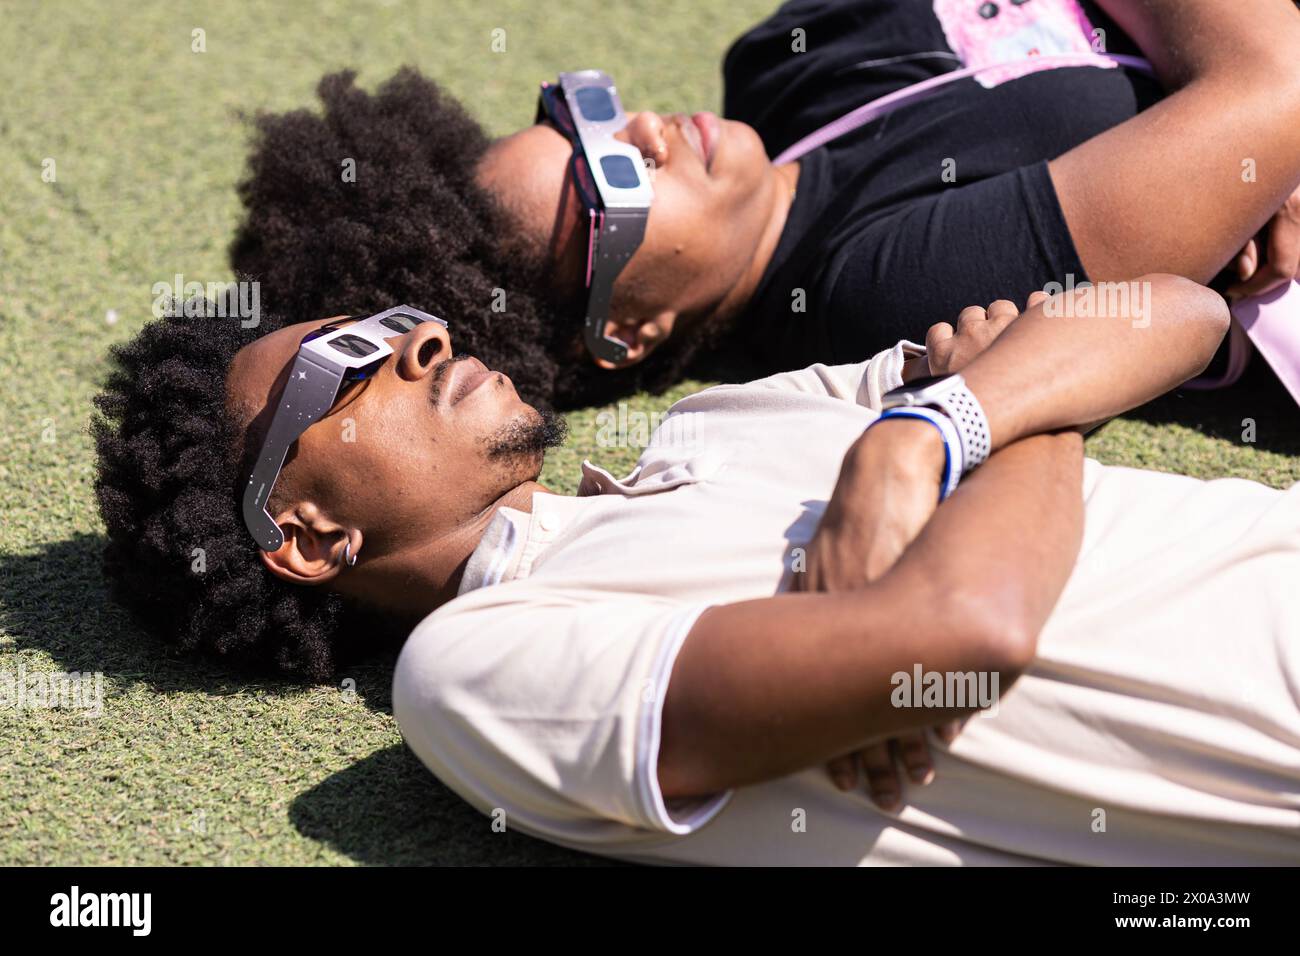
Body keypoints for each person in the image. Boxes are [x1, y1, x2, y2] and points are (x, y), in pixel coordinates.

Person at [93, 273, 1300, 864]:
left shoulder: (722, 420)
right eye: (345, 367)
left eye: (392, 317)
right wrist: (1009, 412)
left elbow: (1173, 313)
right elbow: (967, 637)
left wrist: (925, 436)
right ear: (306, 535)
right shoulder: (478, 670)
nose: (420, 338)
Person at [229, 0, 1300, 409]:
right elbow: (1276, 91)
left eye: (582, 114)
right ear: (625, 331)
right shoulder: (871, 295)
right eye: (610, 182)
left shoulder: (784, 61)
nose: (639, 130)